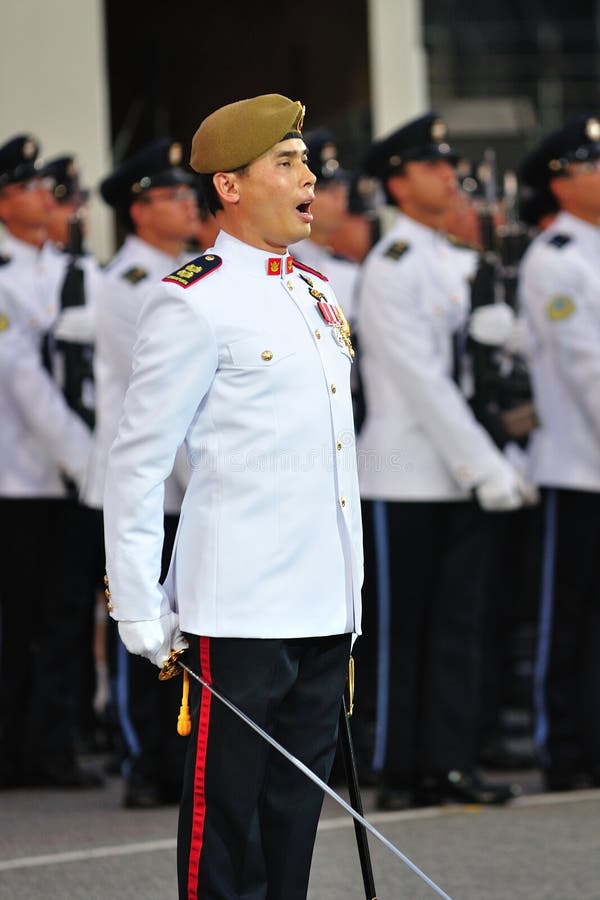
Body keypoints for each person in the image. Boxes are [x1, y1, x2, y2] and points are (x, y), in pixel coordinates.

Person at [102, 94, 362, 900]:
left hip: (324, 602)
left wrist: (351, 595)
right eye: (284, 162)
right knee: (229, 829)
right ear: (230, 186)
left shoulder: (315, 292)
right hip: (242, 607)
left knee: (292, 823)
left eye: (305, 161)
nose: (307, 175)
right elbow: (138, 461)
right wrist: (139, 605)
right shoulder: (194, 300)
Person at [355, 113, 526, 810]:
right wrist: (485, 464)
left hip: (454, 474)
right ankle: (395, 767)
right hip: (406, 475)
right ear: (397, 181)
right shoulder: (391, 265)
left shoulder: (453, 261)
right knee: (399, 633)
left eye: (447, 164)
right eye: (430, 165)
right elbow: (421, 381)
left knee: (458, 625)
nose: (447, 174)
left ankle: (448, 762)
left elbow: (474, 374)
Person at [85, 138, 200, 806]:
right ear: (138, 209)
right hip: (150, 483)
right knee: (141, 612)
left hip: (183, 482)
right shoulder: (129, 284)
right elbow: (157, 404)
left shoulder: (185, 273)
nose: (189, 203)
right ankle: (141, 759)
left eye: (188, 192)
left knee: (184, 619)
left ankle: (173, 754)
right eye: (172, 194)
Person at [0, 134, 101, 788]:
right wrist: (80, 456)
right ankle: (10, 750)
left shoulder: (77, 273)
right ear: (5, 201)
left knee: (67, 616)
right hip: (18, 476)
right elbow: (24, 380)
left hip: (76, 478)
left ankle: (55, 747)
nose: (48, 198)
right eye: (33, 188)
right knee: (15, 623)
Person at [518, 114, 600, 791]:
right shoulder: (556, 257)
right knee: (567, 614)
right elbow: (586, 368)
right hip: (576, 464)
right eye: (589, 165)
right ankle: (563, 745)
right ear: (560, 184)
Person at [292, 130, 360, 323]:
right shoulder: (282, 263)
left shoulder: (346, 266)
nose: (341, 197)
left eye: (341, 187)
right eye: (328, 189)